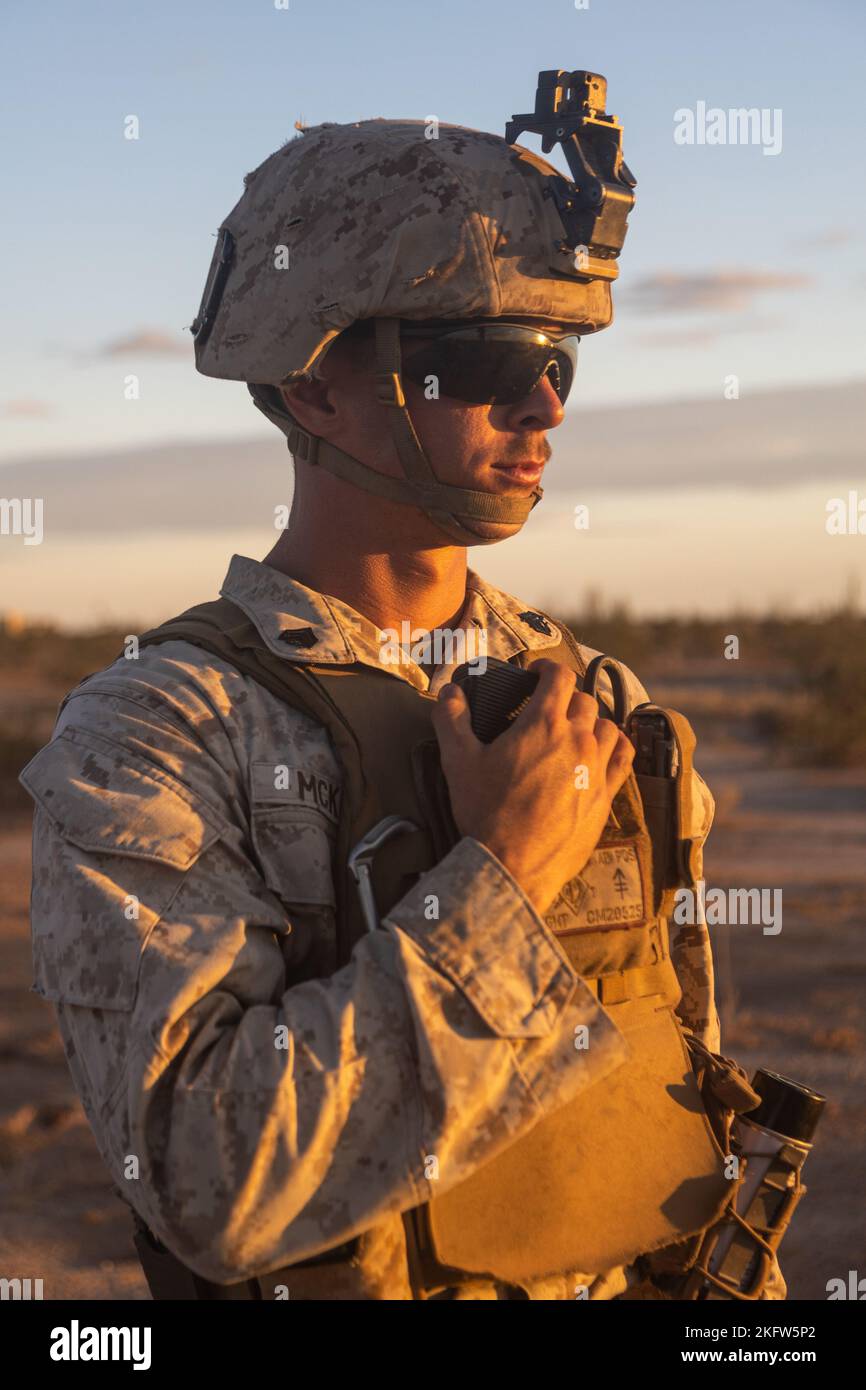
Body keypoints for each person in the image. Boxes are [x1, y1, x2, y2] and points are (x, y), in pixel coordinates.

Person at [20, 81, 786, 1300]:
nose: (539, 405)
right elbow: (214, 1185)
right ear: (311, 380)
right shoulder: (158, 733)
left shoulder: (589, 698)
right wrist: (506, 880)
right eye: (479, 357)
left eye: (559, 362)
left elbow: (669, 1085)